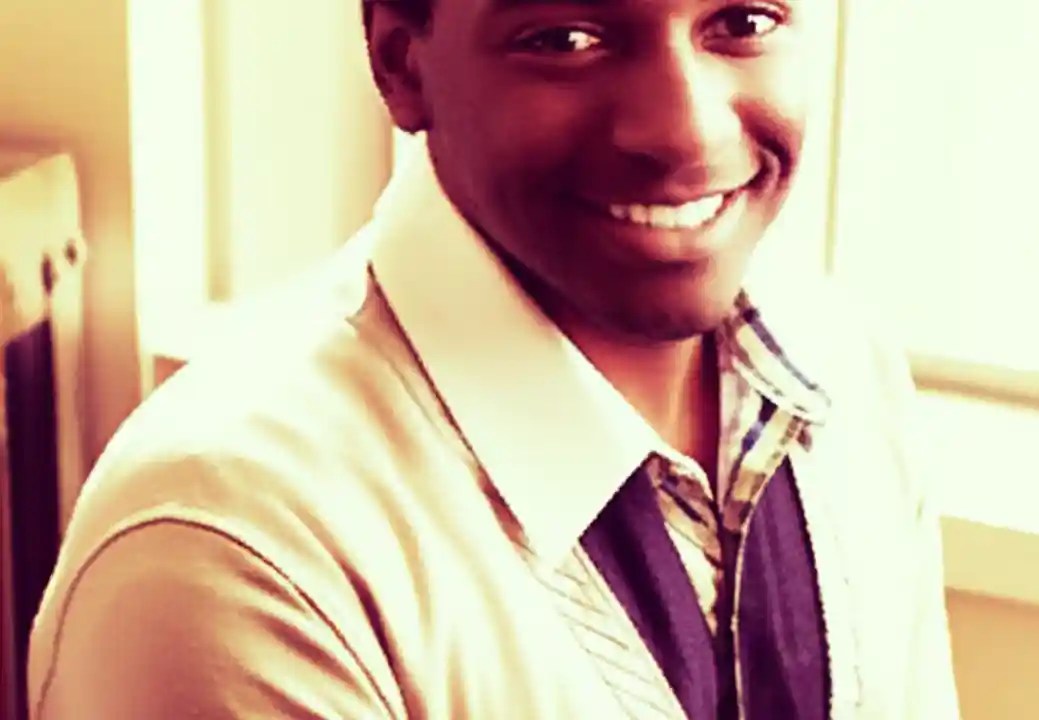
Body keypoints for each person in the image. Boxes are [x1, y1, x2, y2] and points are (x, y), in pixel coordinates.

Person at [26, 0, 961, 717]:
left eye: (742, 21)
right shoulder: (233, 552)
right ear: (400, 63)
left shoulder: (847, 371)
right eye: (564, 37)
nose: (685, 132)